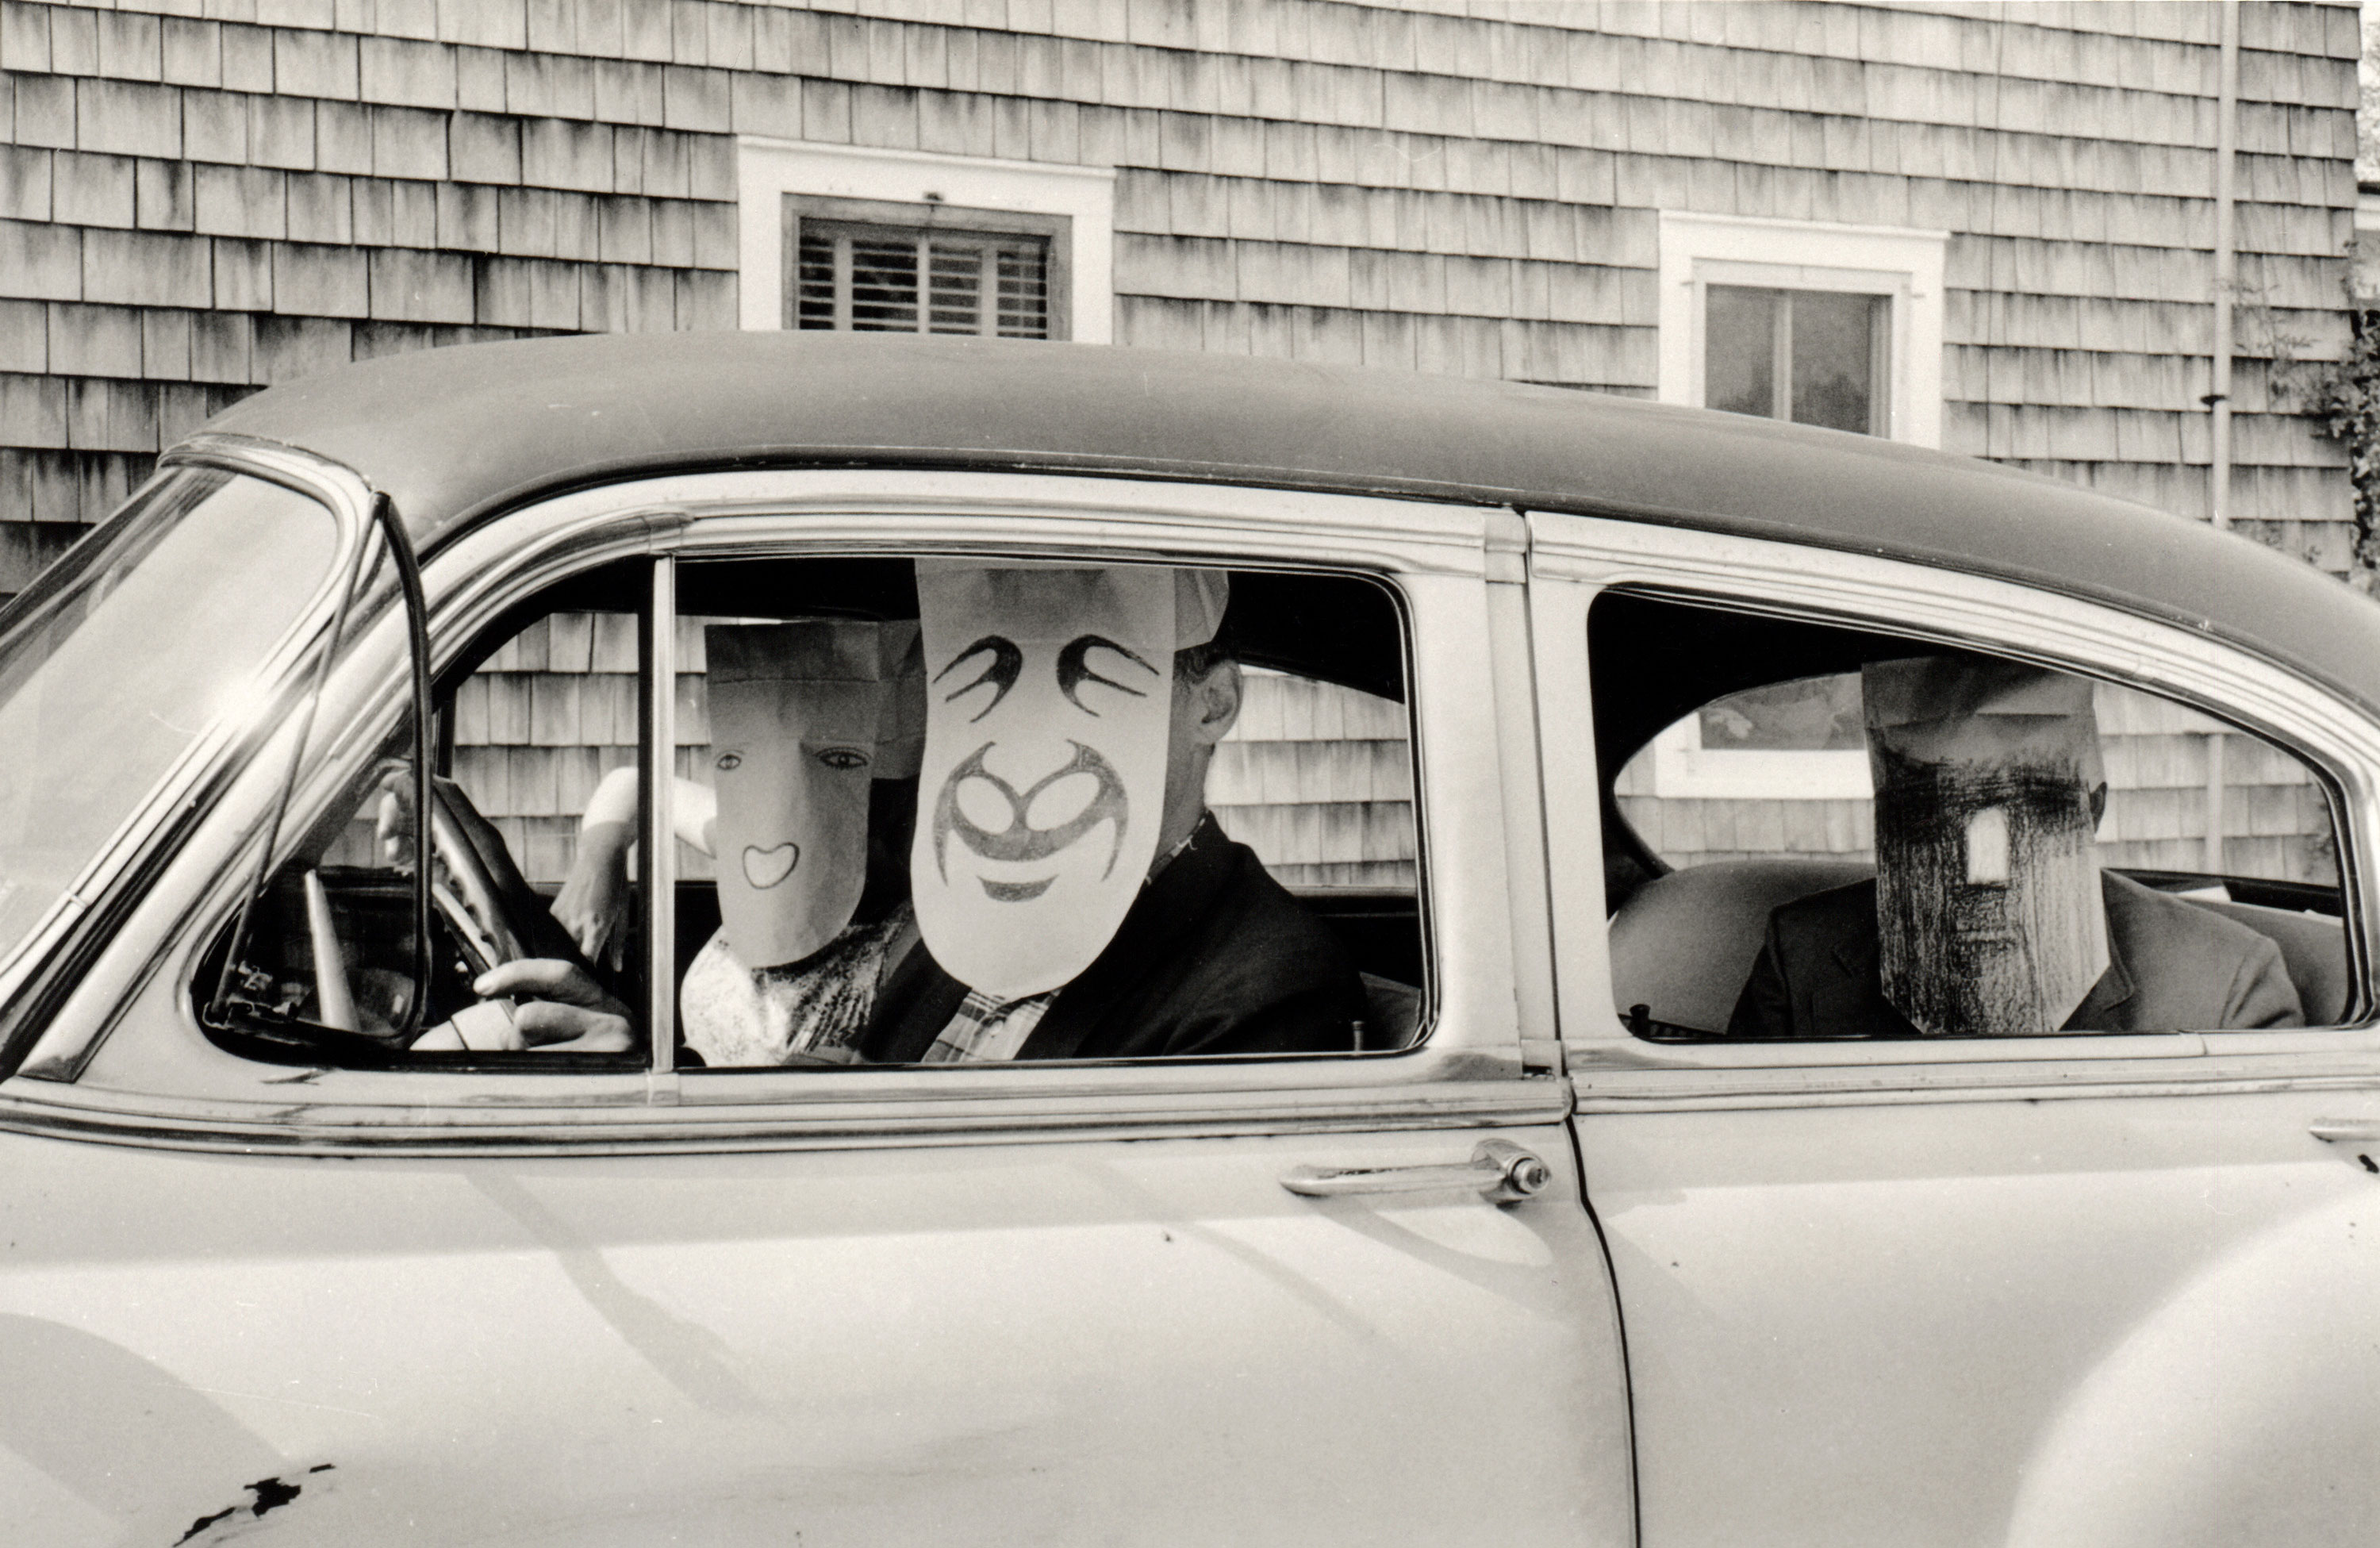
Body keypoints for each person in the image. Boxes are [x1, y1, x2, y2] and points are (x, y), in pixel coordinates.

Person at [858, 561, 1368, 1062]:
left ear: (1214, 705)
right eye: (994, 687)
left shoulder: (1273, 982)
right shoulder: (966, 909)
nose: (1022, 745)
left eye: (1095, 684)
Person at [1727, 655, 2304, 1039]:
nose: (1982, 873)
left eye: (2026, 817)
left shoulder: (2223, 986)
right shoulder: (1801, 953)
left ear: (2091, 809)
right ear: (1890, 823)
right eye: (1932, 820)